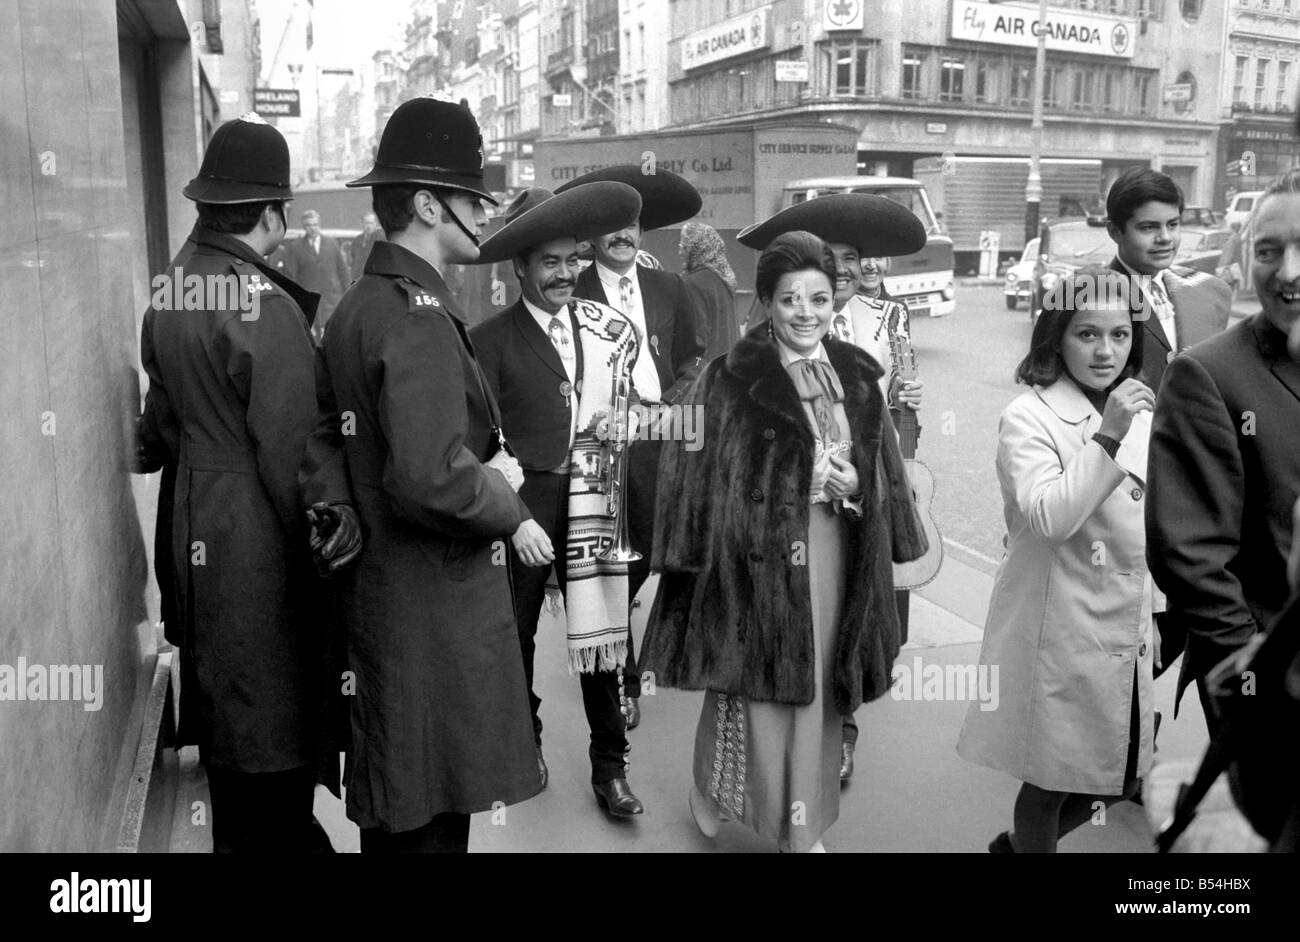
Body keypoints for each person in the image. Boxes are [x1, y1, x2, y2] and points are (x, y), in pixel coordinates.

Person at [299, 97, 542, 853]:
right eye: (476, 199)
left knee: (403, 809)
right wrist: (502, 489)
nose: (487, 212)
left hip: (387, 602)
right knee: (429, 821)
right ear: (432, 205)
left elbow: (330, 447)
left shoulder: (365, 304)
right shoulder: (414, 315)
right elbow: (431, 476)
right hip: (431, 611)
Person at [641, 231, 927, 853]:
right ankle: (735, 800)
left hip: (834, 557)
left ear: (835, 301)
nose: (807, 313)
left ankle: (797, 824)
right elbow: (691, 479)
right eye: (791, 298)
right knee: (757, 700)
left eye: (819, 298)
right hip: (754, 567)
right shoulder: (727, 379)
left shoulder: (856, 373)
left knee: (819, 693)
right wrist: (799, 481)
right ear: (766, 301)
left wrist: (855, 487)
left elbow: (883, 471)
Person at [136, 113, 361, 853]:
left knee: (228, 719)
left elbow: (159, 426)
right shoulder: (259, 305)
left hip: (193, 529)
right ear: (273, 214)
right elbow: (296, 456)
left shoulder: (170, 291)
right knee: (274, 726)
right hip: (256, 546)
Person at [957, 267, 1157, 853]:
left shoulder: (1138, 410)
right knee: (1049, 779)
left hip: (1127, 619)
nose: (1106, 350)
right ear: (1056, 338)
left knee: (1122, 776)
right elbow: (1051, 517)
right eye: (1087, 334)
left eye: (1119, 336)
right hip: (1061, 625)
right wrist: (1111, 434)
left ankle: (1012, 851)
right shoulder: (1028, 416)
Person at [469, 183, 650, 818]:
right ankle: (528, 742)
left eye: (573, 260)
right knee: (514, 634)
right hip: (525, 505)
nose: (565, 274)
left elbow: (645, 397)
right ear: (519, 265)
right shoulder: (487, 340)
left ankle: (610, 768)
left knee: (604, 635)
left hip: (595, 495)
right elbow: (480, 449)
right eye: (550, 262)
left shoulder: (610, 330)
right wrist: (515, 519)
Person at [736, 193, 929, 785]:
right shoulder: (765, 338)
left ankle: (837, 742)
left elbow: (897, 417)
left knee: (850, 627)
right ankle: (763, 774)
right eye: (830, 257)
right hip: (785, 525)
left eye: (850, 258)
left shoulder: (885, 321)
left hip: (854, 510)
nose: (841, 269)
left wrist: (880, 470)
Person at [1146, 169, 1300, 737]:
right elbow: (1191, 559)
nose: (1288, 273)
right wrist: (1254, 674)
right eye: (1269, 250)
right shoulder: (1209, 375)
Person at [558, 165, 706, 728]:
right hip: (599, 442)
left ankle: (618, 651)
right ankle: (618, 676)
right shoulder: (575, 287)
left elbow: (694, 355)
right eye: (614, 225)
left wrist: (670, 403)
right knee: (609, 562)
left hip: (660, 438)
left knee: (645, 557)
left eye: (634, 223)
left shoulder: (670, 287)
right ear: (596, 235)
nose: (625, 234)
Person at [1105, 167, 1231, 396]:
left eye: (1173, 225)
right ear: (1115, 231)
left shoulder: (1212, 292)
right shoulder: (1085, 296)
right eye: (1148, 227)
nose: (1165, 238)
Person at [282, 209, 352, 341]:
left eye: (315, 225)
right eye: (309, 225)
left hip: (331, 300)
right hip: (309, 303)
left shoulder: (332, 243)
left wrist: (347, 295)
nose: (312, 228)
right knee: (312, 341)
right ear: (304, 227)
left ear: (319, 225)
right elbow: (291, 278)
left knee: (334, 339)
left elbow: (343, 271)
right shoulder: (295, 247)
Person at [678, 221, 739, 359]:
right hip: (728, 367)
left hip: (706, 373)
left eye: (684, 247)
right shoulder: (725, 278)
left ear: (696, 249)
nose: (680, 252)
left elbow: (696, 341)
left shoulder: (691, 284)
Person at [349, 211, 384, 280]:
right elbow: (352, 260)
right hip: (358, 279)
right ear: (361, 224)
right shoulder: (357, 240)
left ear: (376, 224)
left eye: (371, 223)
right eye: (366, 223)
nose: (369, 226)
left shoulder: (381, 240)